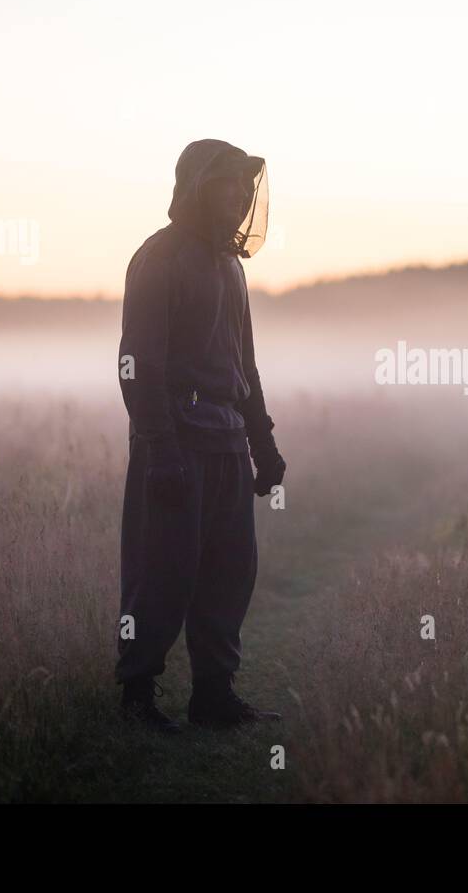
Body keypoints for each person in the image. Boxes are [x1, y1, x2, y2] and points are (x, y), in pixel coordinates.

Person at [114, 138, 286, 733]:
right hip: (176, 441)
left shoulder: (230, 265)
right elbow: (137, 362)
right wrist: (159, 448)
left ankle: (214, 697)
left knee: (228, 571)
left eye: (244, 184)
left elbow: (246, 365)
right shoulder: (158, 258)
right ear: (195, 187)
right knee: (160, 570)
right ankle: (136, 698)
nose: (239, 194)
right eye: (227, 183)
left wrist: (262, 443)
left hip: (228, 440)